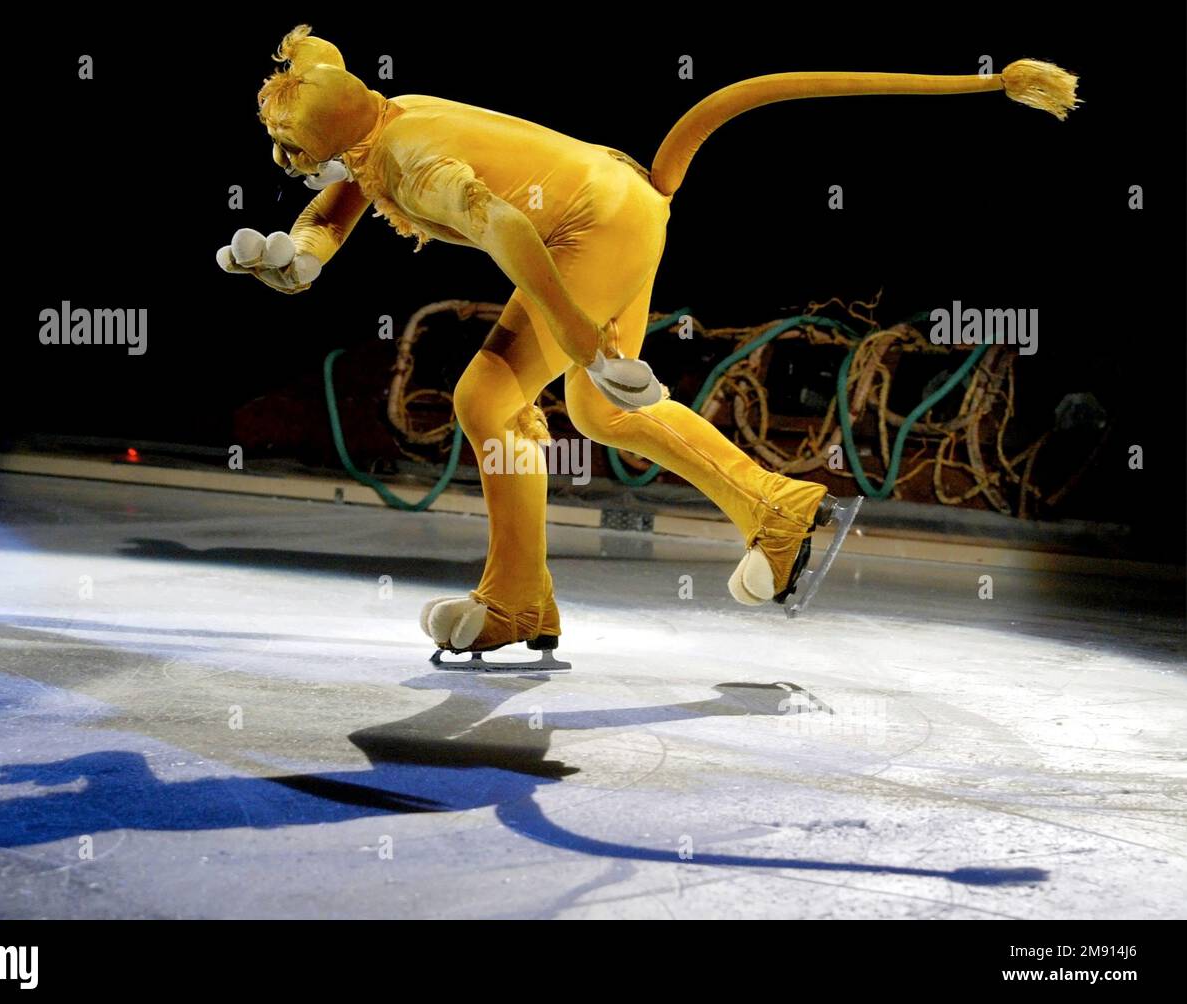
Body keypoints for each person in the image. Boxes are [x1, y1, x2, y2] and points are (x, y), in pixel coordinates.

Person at [219, 25, 1077, 664]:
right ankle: (775, 510)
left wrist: (584, 339)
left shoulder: (411, 161)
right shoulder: (378, 124)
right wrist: (297, 257)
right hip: (619, 195)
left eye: (290, 149)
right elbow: (338, 197)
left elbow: (508, 228)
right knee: (594, 412)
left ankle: (517, 596)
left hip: (593, 223)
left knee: (488, 396)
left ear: (336, 141)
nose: (281, 157)